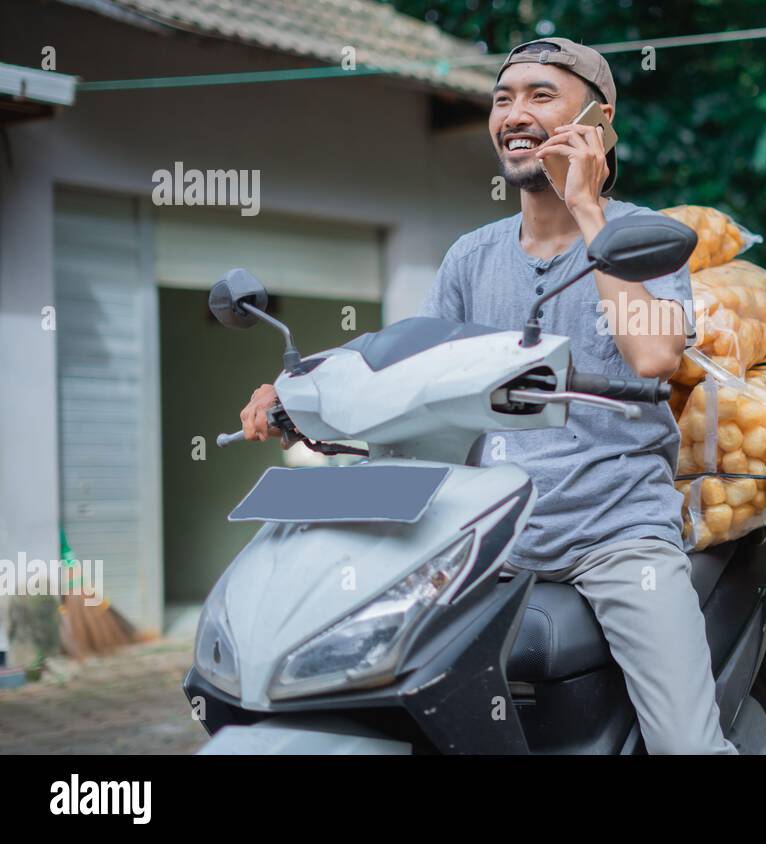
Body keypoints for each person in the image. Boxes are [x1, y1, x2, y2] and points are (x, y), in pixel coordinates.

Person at [239, 37, 737, 754]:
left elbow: (656, 353)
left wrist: (588, 207)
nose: (514, 113)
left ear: (596, 123)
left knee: (688, 748)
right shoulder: (472, 257)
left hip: (617, 536)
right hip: (490, 536)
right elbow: (413, 360)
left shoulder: (638, 235)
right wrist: (301, 389)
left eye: (541, 95)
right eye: (503, 99)